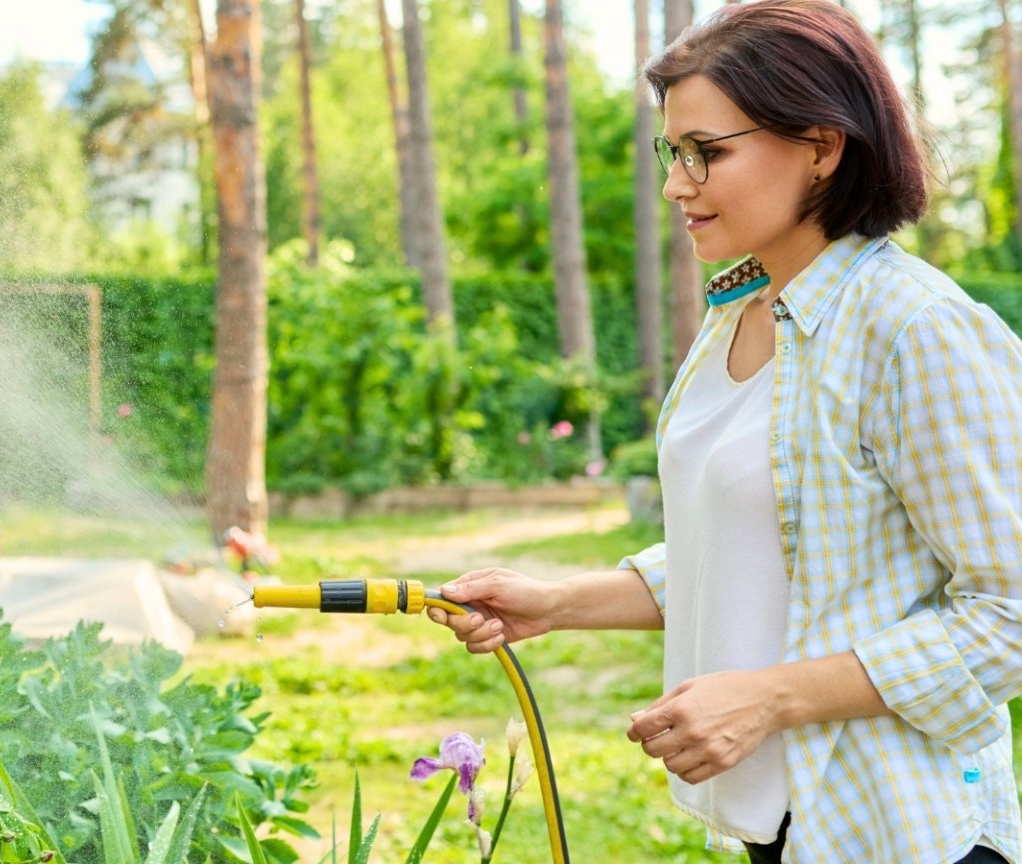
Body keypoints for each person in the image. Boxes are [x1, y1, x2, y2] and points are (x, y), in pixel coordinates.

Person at [428, 2, 1022, 862]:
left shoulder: (914, 329)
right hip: (785, 828)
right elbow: (772, 546)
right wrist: (555, 605)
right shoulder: (742, 310)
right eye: (674, 152)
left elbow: (1009, 612)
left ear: (823, 144)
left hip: (903, 830)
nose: (678, 183)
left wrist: (773, 698)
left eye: (709, 152)